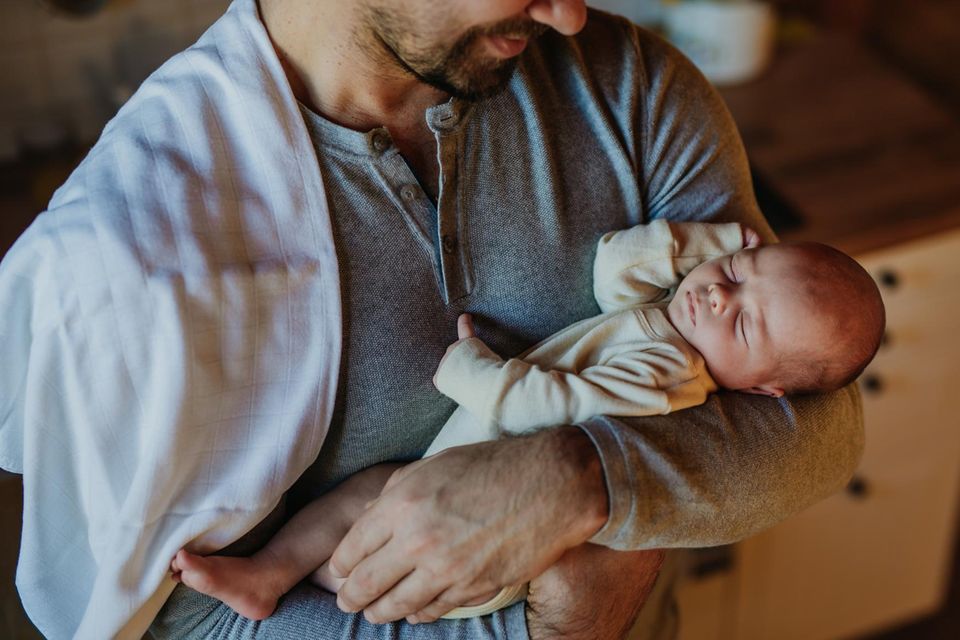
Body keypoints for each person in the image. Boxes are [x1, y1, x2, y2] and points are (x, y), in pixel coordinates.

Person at [0, 1, 866, 639]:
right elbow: (183, 623)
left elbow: (819, 424)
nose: (567, 15)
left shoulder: (628, 83)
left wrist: (580, 479)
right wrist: (549, 620)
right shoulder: (133, 250)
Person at [165, 220, 884, 624]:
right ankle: (268, 576)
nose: (720, 299)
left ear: (761, 389)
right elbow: (613, 271)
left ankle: (291, 584)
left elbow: (554, 407)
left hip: (485, 525)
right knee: (371, 496)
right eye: (735, 275)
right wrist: (705, 248)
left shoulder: (669, 377)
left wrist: (468, 367)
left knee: (371, 527)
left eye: (747, 323)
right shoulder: (671, 319)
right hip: (450, 473)